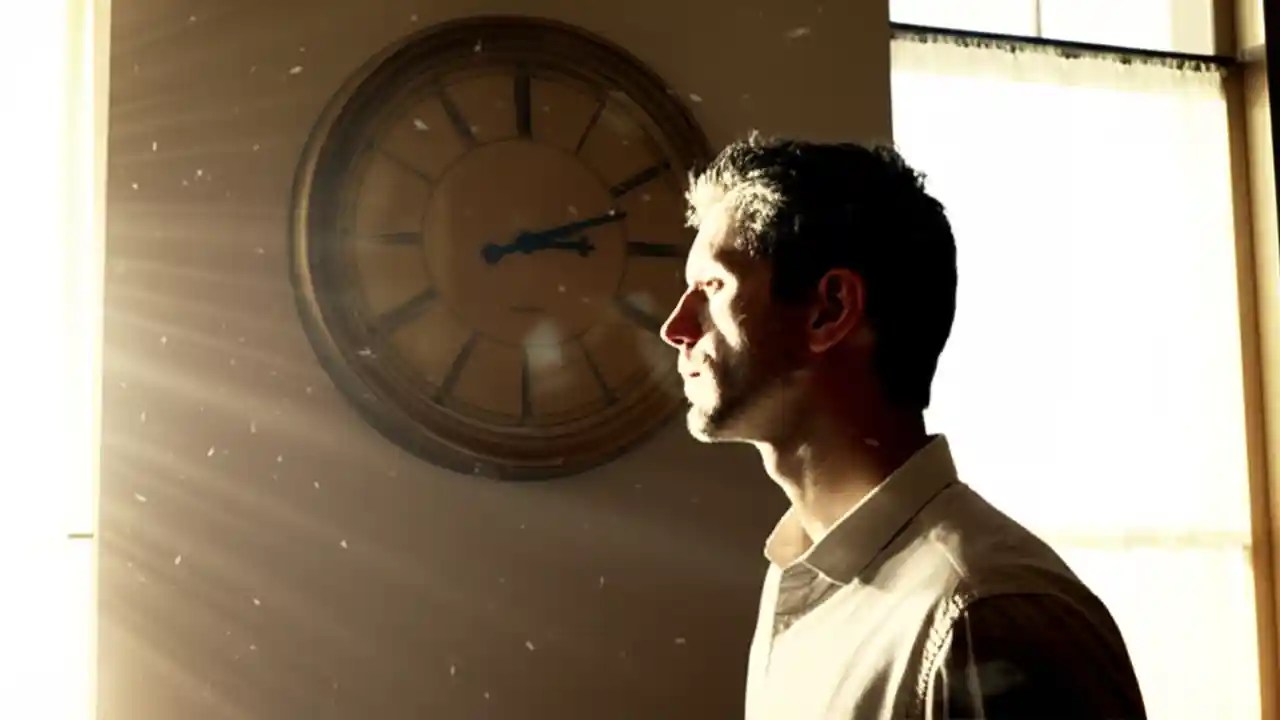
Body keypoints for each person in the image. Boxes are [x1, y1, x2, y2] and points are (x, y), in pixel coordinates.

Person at [659, 134, 1147, 719]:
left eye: (712, 287)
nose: (676, 326)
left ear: (831, 310)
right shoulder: (797, 580)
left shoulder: (986, 617)